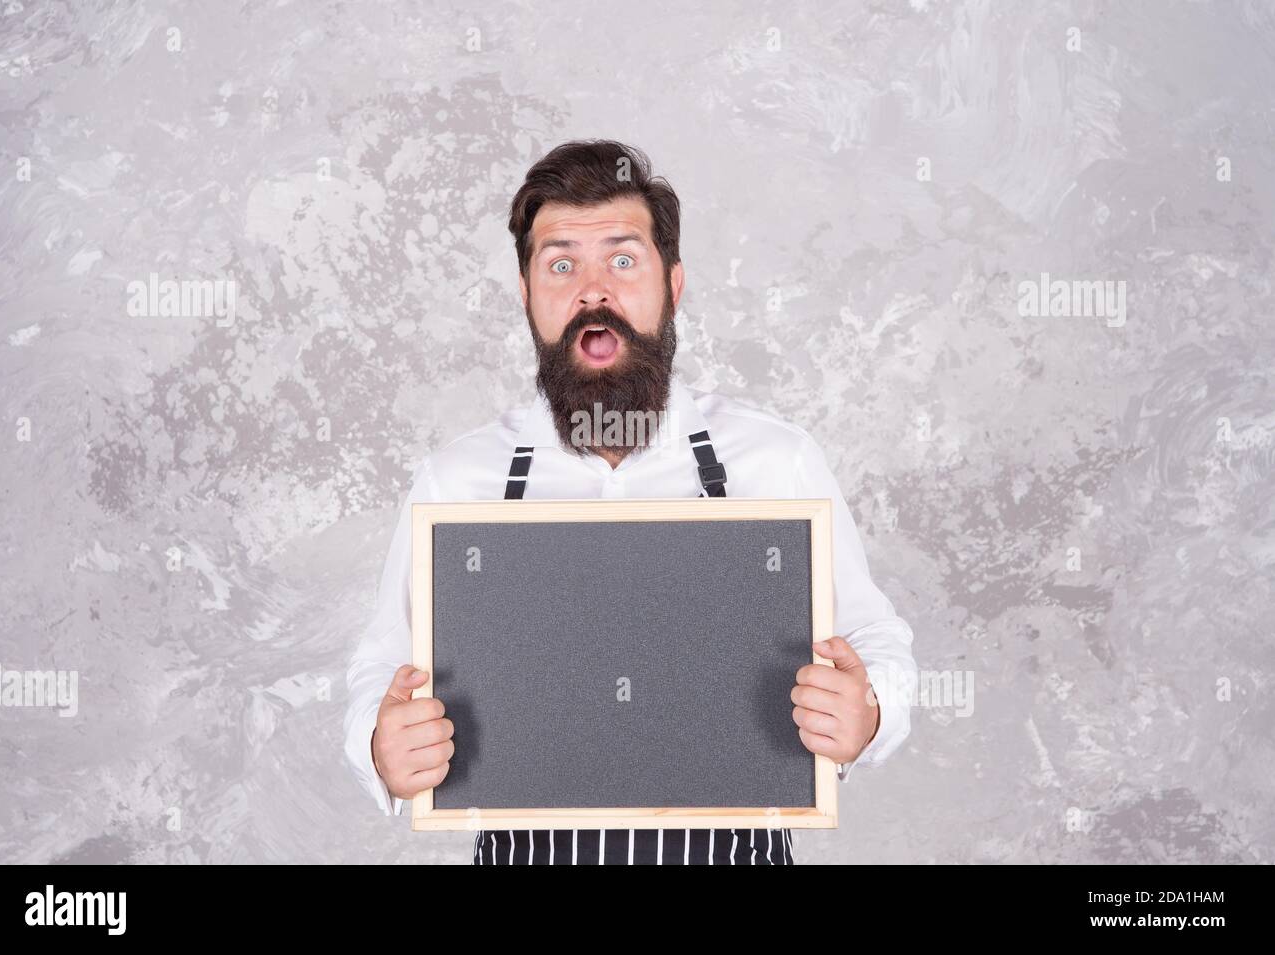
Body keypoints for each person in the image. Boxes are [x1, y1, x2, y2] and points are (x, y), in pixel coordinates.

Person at [344, 139, 917, 864]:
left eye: (622, 259)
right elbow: (381, 668)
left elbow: (876, 643)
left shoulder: (776, 461)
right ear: (526, 296)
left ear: (673, 287)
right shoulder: (457, 482)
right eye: (561, 265)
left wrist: (867, 714)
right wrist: (381, 745)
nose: (594, 291)